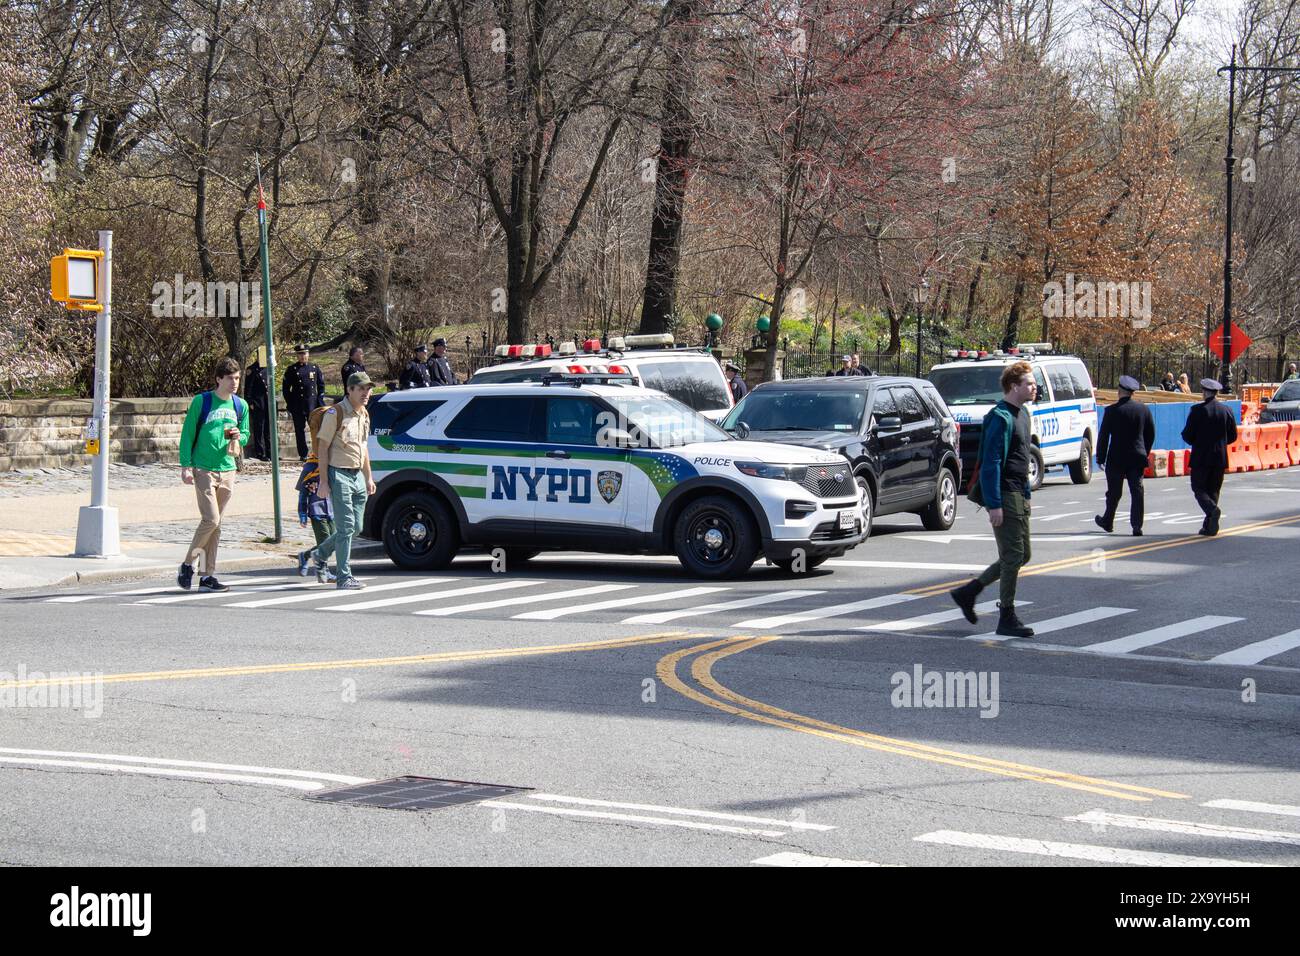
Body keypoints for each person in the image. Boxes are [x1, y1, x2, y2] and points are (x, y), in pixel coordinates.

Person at [949, 360, 1037, 637]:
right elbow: (992, 462)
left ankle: (969, 592)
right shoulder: (1000, 417)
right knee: (1013, 555)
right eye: (1030, 384)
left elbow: (1022, 457)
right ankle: (1006, 616)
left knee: (1023, 555)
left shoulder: (1023, 414)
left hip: (1018, 493)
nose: (1034, 387)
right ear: (1014, 387)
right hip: (1005, 494)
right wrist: (994, 503)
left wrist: (1026, 494)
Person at [296, 372, 376, 589]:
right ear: (349, 390)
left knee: (356, 527)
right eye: (361, 389)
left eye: (368, 389)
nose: (366, 393)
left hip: (357, 474)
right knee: (346, 526)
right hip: (338, 473)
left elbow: (364, 447)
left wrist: (369, 477)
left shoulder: (364, 414)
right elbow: (322, 447)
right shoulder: (336, 412)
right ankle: (344, 577)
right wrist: (323, 481)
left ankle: (318, 554)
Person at [177, 357, 250, 592]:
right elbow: (188, 434)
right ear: (218, 379)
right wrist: (186, 465)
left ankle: (207, 576)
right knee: (211, 519)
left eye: (237, 378)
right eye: (230, 378)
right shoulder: (203, 401)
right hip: (203, 468)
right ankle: (188, 564)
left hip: (228, 469)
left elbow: (247, 434)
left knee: (216, 526)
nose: (234, 383)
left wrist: (240, 435)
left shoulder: (240, 406)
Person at [1094, 375, 1155, 536]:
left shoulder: (1112, 411)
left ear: (1119, 391)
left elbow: (1104, 436)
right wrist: (1145, 451)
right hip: (1137, 457)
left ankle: (1108, 520)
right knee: (1137, 491)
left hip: (1117, 458)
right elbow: (1150, 434)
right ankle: (1137, 526)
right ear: (1132, 393)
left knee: (1114, 492)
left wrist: (1100, 457)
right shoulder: (1143, 409)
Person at [1181, 377, 1237, 536]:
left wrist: (1197, 441)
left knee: (1198, 488)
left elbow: (1188, 435)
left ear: (1205, 392)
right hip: (1219, 457)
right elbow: (1232, 436)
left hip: (1201, 457)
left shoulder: (1197, 410)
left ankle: (1212, 510)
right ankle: (1210, 526)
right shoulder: (1226, 410)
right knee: (1213, 490)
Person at [293, 403, 338, 582]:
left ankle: (305, 555)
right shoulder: (312, 464)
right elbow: (303, 491)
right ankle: (322, 572)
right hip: (317, 509)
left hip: (333, 508)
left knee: (332, 543)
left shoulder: (335, 460)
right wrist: (302, 512)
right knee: (324, 542)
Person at [282, 344, 325, 459]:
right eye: (300, 354)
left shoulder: (314, 368)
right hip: (298, 405)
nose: (302, 356)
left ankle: (317, 452)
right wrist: (290, 403)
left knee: (315, 429)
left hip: (312, 405)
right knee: (299, 431)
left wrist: (320, 402)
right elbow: (286, 389)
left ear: (308, 354)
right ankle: (303, 454)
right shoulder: (292, 370)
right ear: (297, 355)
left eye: (304, 353)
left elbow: (321, 386)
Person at [243, 356, 271, 461]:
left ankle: (270, 452)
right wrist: (250, 402)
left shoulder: (268, 368)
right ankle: (260, 453)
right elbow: (248, 388)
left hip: (268, 403)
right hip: (258, 403)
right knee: (259, 429)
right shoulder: (252, 369)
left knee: (268, 429)